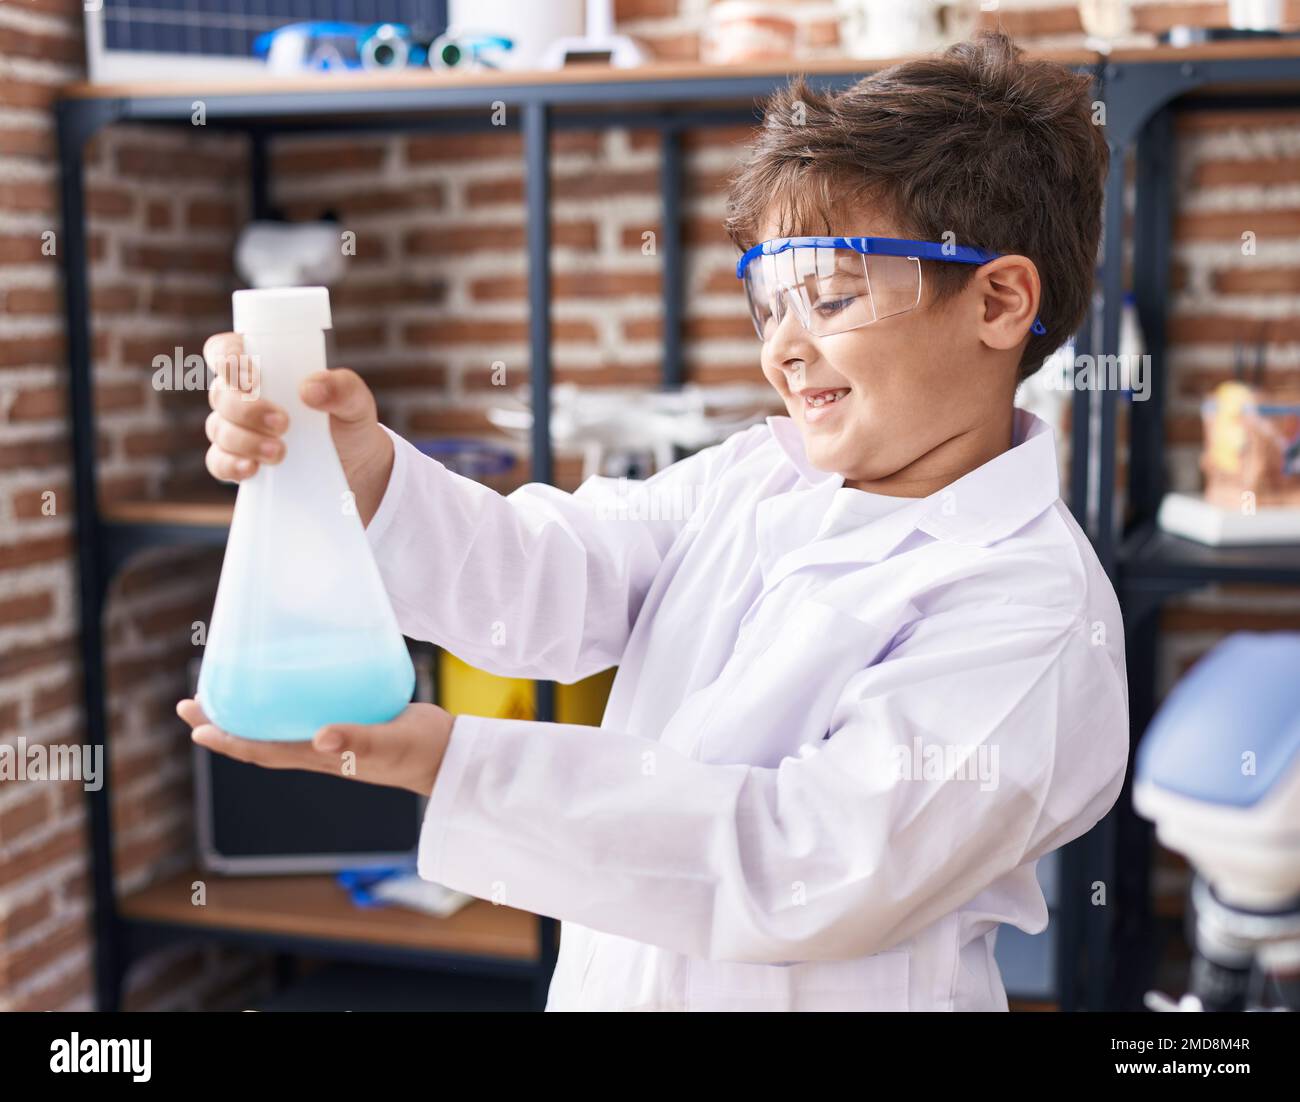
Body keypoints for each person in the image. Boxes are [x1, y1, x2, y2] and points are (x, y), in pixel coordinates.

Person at [180, 31, 1128, 1011]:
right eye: (771, 302)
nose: (785, 351)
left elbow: (801, 861)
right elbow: (550, 573)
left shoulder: (1031, 608)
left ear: (1001, 300)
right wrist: (359, 466)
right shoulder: (754, 479)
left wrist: (447, 759)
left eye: (835, 295)